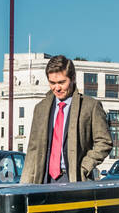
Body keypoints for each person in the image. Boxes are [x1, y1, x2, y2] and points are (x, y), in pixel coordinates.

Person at [19, 55, 112, 184]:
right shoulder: (40, 108)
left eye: (62, 82)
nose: (57, 88)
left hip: (74, 178)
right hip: (43, 179)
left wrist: (84, 167)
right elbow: (33, 149)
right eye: (52, 83)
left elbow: (104, 142)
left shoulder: (90, 106)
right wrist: (24, 185)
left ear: (73, 79)